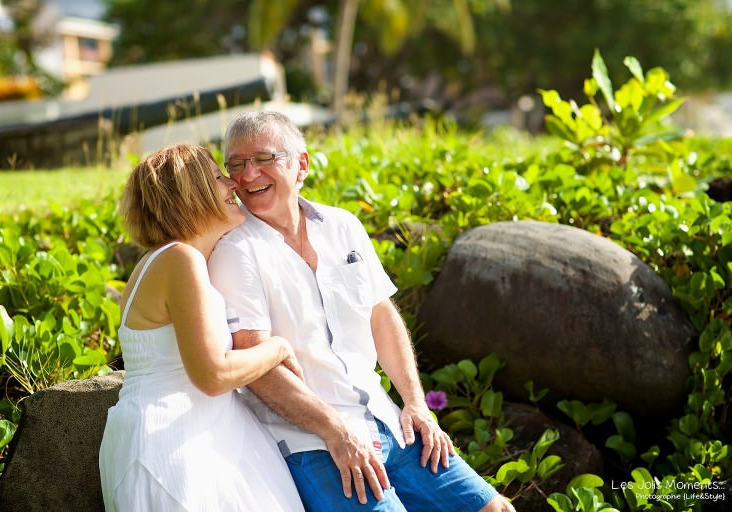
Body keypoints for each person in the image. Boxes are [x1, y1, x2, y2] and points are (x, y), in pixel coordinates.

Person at [208, 112, 515, 512]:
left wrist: (415, 403)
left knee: (495, 509)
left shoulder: (343, 225)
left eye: (263, 158)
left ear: (301, 164)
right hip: (315, 441)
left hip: (387, 421)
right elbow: (258, 366)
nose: (248, 174)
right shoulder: (235, 251)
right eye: (236, 164)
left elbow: (380, 315)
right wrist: (337, 432)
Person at [99, 143, 306, 512]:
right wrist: (278, 348)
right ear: (189, 196)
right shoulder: (179, 260)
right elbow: (213, 374)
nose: (232, 185)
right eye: (216, 177)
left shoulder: (174, 261)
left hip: (196, 435)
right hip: (172, 444)